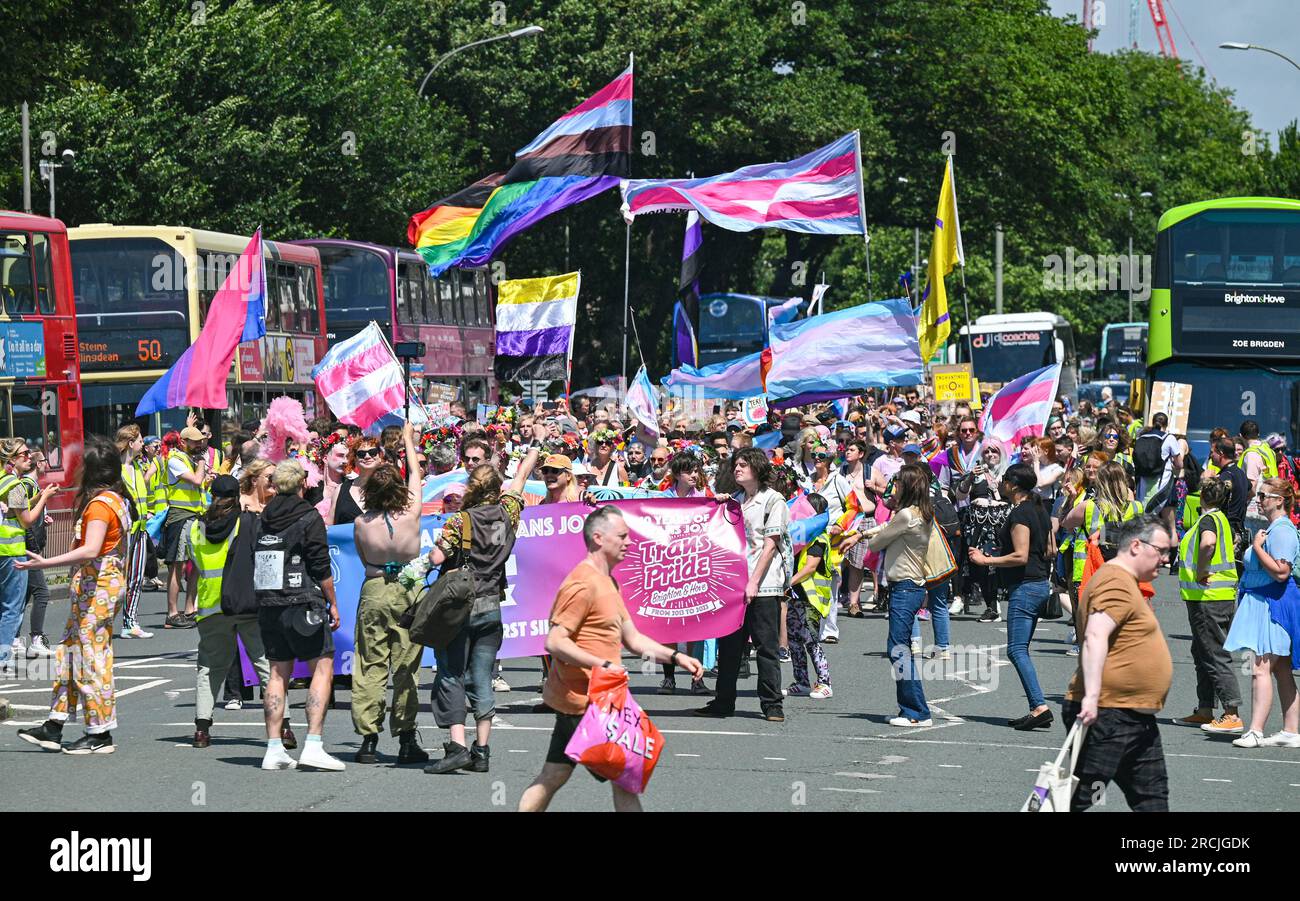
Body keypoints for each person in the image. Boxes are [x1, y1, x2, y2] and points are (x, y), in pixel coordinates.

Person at [518, 506, 703, 812]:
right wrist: (600, 664)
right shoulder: (583, 583)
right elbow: (554, 641)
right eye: (622, 536)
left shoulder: (609, 582)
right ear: (598, 538)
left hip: (596, 700)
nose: (629, 542)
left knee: (555, 774)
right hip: (588, 703)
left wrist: (676, 656)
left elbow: (632, 640)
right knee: (624, 778)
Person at [423, 444, 540, 774]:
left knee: (451, 674)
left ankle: (457, 747)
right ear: (497, 489)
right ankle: (482, 751)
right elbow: (520, 479)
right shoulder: (508, 513)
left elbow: (436, 557)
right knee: (482, 679)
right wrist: (533, 449)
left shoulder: (461, 521)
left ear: (472, 488)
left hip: (461, 608)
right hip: (492, 607)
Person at [16, 436, 132, 755]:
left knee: (91, 656)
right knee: (69, 651)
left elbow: (92, 548)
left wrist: (44, 561)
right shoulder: (118, 499)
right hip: (98, 586)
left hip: (99, 587)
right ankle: (54, 724)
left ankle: (100, 731)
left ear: (91, 471)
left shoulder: (100, 504)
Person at [1063, 515, 1175, 812]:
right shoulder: (1115, 581)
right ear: (1136, 545)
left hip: (1134, 713)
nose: (1165, 560)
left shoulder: (1126, 582)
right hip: (1108, 712)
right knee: (1078, 797)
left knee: (1152, 799)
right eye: (1161, 551)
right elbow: (1095, 636)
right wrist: (1091, 697)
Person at [187, 476, 295, 750]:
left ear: (212, 495)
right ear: (237, 496)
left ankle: (202, 729)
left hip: (211, 605)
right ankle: (284, 728)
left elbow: (196, 563)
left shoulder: (196, 527)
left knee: (209, 668)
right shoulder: (247, 523)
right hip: (247, 603)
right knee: (266, 666)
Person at [255, 461, 345, 771]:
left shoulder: (262, 519)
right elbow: (320, 566)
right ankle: (314, 744)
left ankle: (273, 747)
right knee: (322, 666)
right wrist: (332, 603)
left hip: (269, 602)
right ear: (303, 484)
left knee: (277, 673)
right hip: (304, 599)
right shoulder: (308, 517)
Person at [351, 423, 430, 765]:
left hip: (375, 588)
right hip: (409, 590)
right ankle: (406, 737)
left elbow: (363, 556)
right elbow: (415, 472)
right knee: (406, 665)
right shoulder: (411, 514)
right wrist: (409, 441)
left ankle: (369, 738)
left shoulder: (361, 524)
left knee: (370, 663)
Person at [695, 448, 790, 723]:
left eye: (743, 465)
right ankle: (724, 700)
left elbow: (770, 546)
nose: (737, 469)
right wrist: (720, 505)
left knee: (766, 647)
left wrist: (754, 582)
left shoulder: (774, 501)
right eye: (735, 464)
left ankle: (772, 703)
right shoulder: (736, 500)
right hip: (735, 584)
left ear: (757, 469)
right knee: (730, 648)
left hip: (763, 585)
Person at [969, 463, 1055, 730]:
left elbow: (1020, 555)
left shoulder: (1020, 513)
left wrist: (987, 560)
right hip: (1040, 584)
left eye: (1005, 479)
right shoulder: (1040, 509)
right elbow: (1050, 549)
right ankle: (1037, 707)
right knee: (1021, 649)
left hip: (1026, 588)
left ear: (1014, 485)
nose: (1002, 483)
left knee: (1016, 650)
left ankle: (1039, 706)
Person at [1224, 478, 1300, 748]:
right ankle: (1290, 731)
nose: (1259, 498)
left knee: (1261, 667)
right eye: (1258, 494)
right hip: (1265, 601)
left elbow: (1281, 571)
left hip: (1272, 603)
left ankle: (1255, 731)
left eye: (1264, 495)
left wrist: (1256, 548)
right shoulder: (1275, 528)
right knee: (1279, 668)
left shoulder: (1281, 531)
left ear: (1279, 500)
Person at [1167, 477, 1245, 735]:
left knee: (1213, 652)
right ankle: (1204, 708)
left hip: (1210, 596)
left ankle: (1231, 712)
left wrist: (1202, 570)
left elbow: (1208, 543)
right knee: (1202, 652)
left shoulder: (1209, 520)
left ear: (1202, 497)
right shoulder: (1219, 517)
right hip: (1208, 597)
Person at [862, 463, 934, 727]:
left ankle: (916, 712)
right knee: (902, 648)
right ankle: (912, 710)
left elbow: (876, 543)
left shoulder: (904, 515)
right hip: (912, 586)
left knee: (898, 649)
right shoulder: (921, 512)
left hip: (904, 586)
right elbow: (884, 530)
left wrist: (872, 531)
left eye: (898, 483)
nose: (894, 487)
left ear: (907, 486)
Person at [0, 439, 56, 667]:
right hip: (12, 551)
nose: (29, 457)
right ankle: (2, 658)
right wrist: (44, 498)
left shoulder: (4, 482)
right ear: (12, 460)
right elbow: (26, 520)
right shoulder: (15, 485)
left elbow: (17, 507)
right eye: (24, 454)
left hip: (3, 551)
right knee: (12, 608)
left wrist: (36, 499)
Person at [786, 492, 833, 699]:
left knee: (811, 640)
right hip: (796, 596)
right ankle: (802, 681)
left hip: (811, 598)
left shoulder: (818, 537)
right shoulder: (801, 535)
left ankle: (824, 682)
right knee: (793, 639)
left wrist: (787, 583)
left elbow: (810, 567)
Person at [162, 426, 209, 629]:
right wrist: (202, 464)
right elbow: (197, 480)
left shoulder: (189, 460)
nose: (199, 444)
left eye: (201, 441)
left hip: (197, 515)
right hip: (180, 517)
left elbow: (200, 485)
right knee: (176, 565)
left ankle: (190, 609)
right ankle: (172, 613)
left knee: (197, 564)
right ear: (183, 442)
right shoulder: (175, 460)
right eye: (195, 441)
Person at [115, 425, 155, 640]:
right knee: (118, 579)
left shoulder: (138, 467)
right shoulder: (116, 470)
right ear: (131, 443)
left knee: (136, 578)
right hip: (123, 533)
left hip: (140, 530)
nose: (143, 443)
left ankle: (130, 622)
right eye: (140, 440)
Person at [19, 447, 55, 658]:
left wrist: (43, 521)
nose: (46, 465)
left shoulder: (31, 485)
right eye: (44, 461)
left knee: (22, 596)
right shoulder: (27, 485)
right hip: (28, 549)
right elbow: (26, 519)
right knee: (41, 593)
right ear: (37, 463)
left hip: (27, 547)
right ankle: (35, 638)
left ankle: (13, 638)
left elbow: (33, 516)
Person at [330, 435, 383, 527]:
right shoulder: (340, 490)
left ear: (380, 457)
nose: (367, 456)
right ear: (355, 459)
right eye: (361, 454)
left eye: (372, 452)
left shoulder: (391, 486)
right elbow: (329, 525)